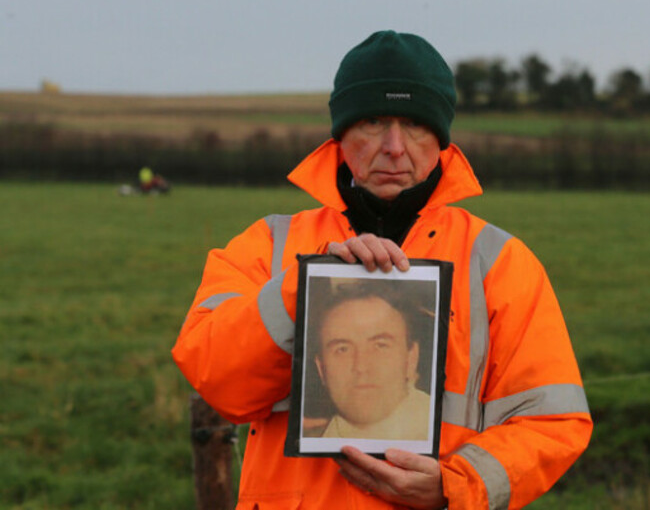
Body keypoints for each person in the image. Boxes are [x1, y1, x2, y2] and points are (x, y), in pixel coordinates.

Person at [172, 30, 592, 510]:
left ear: (441, 138)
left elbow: (552, 421)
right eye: (373, 121)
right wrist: (303, 288)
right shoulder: (269, 245)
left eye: (414, 123)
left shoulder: (498, 262)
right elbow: (215, 379)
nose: (394, 146)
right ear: (340, 134)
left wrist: (456, 485)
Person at [306, 280, 433, 441]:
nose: (361, 366)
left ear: (411, 358)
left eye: (380, 346)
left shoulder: (443, 437)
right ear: (321, 369)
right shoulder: (310, 441)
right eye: (342, 349)